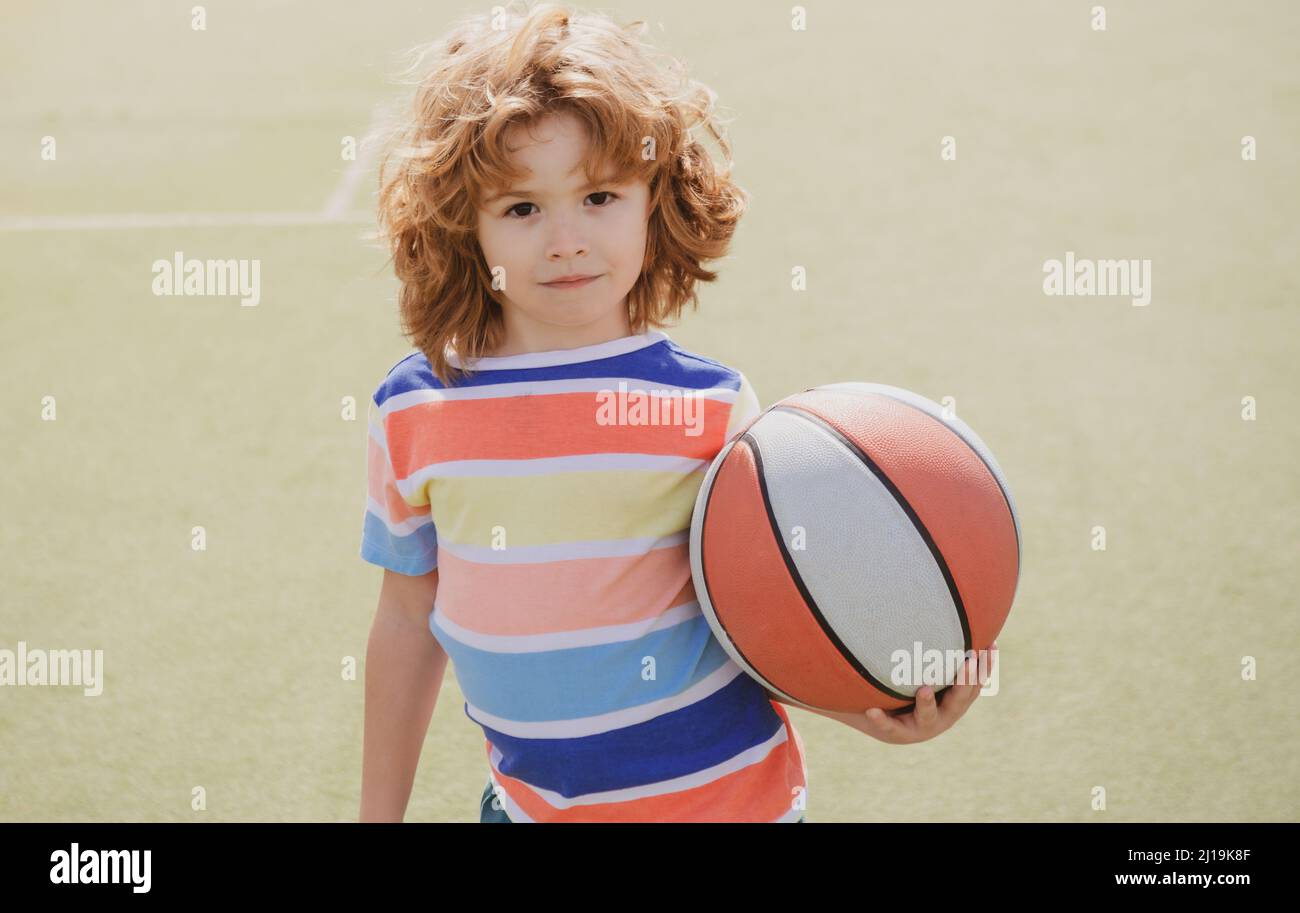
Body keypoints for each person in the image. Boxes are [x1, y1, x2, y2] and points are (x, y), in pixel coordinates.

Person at [358, 1, 987, 824]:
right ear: (461, 225)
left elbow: (761, 618)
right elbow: (407, 624)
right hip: (529, 809)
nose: (566, 239)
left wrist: (872, 704)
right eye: (521, 208)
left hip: (733, 806)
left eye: (599, 197)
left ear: (657, 197)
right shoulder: (417, 410)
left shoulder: (710, 408)